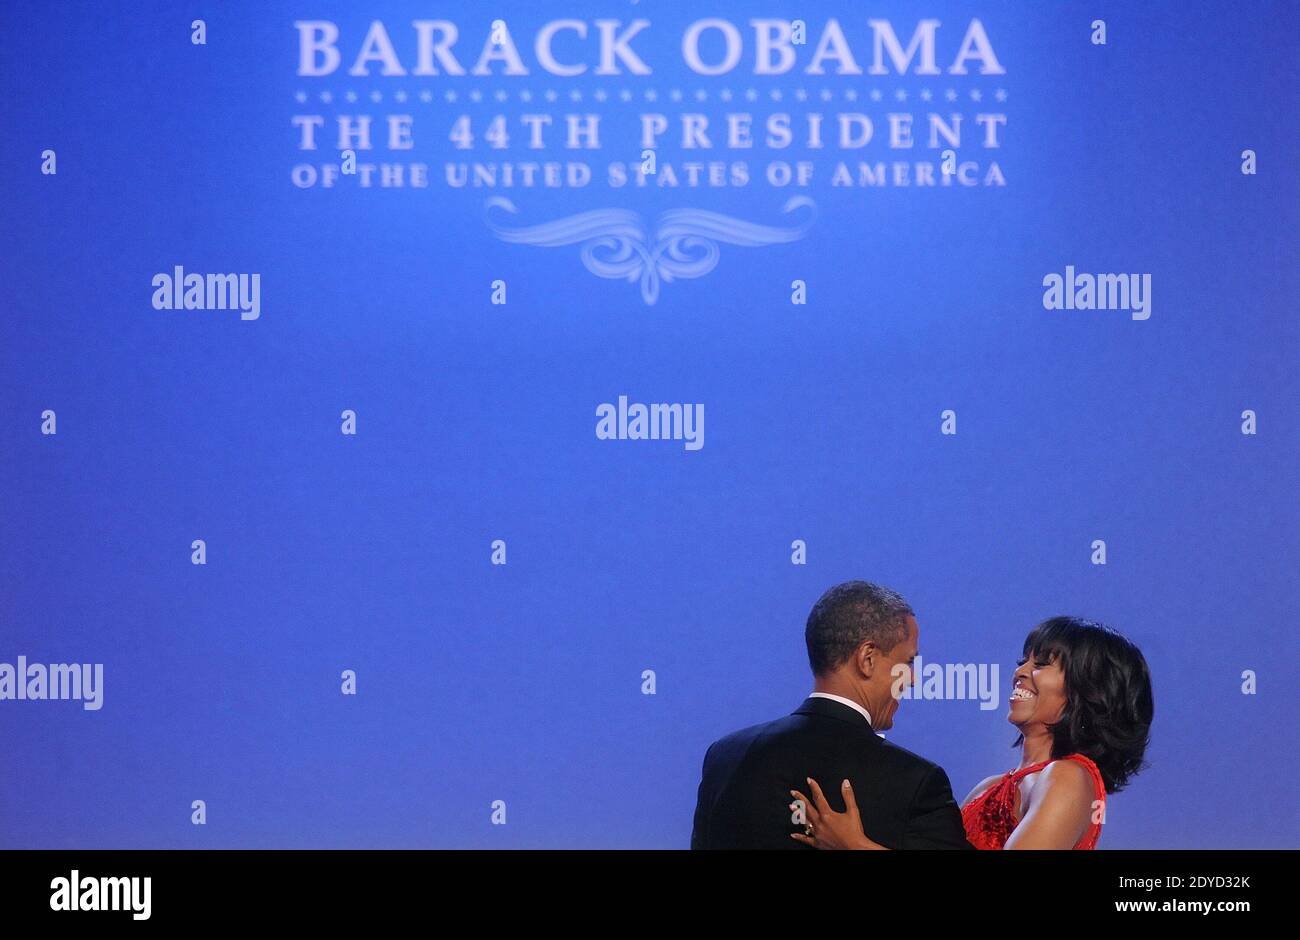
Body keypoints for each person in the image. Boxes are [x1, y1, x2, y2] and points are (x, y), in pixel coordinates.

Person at [791, 616, 1154, 850]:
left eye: (1041, 664)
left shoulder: (1069, 777)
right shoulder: (988, 788)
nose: (1020, 672)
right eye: (1023, 661)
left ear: (1089, 691)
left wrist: (855, 846)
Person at [690, 580, 972, 849]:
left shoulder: (725, 756)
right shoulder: (916, 782)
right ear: (867, 659)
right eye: (908, 662)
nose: (912, 678)